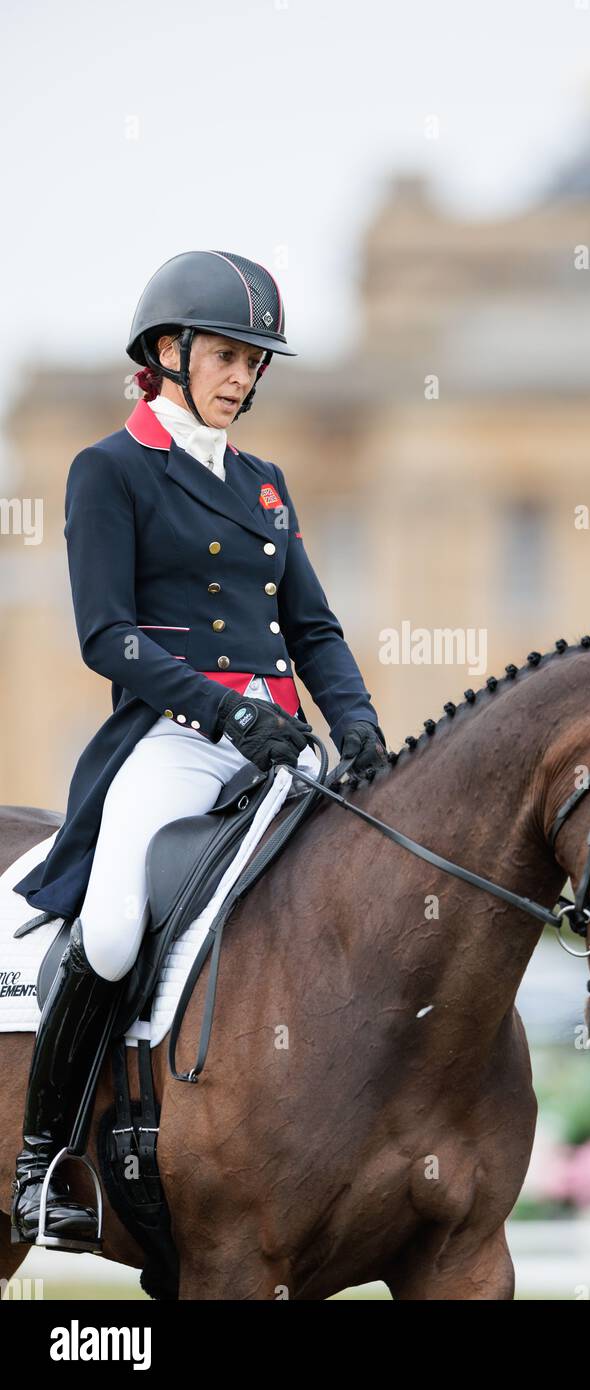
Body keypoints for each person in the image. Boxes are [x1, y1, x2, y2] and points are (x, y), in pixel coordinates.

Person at [10, 249, 387, 1250]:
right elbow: (109, 637)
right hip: (175, 743)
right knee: (120, 926)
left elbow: (312, 627)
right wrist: (224, 714)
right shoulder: (110, 470)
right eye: (227, 354)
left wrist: (355, 723)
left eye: (255, 361)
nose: (243, 376)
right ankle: (45, 1157)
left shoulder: (264, 486)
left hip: (280, 747)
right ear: (168, 352)